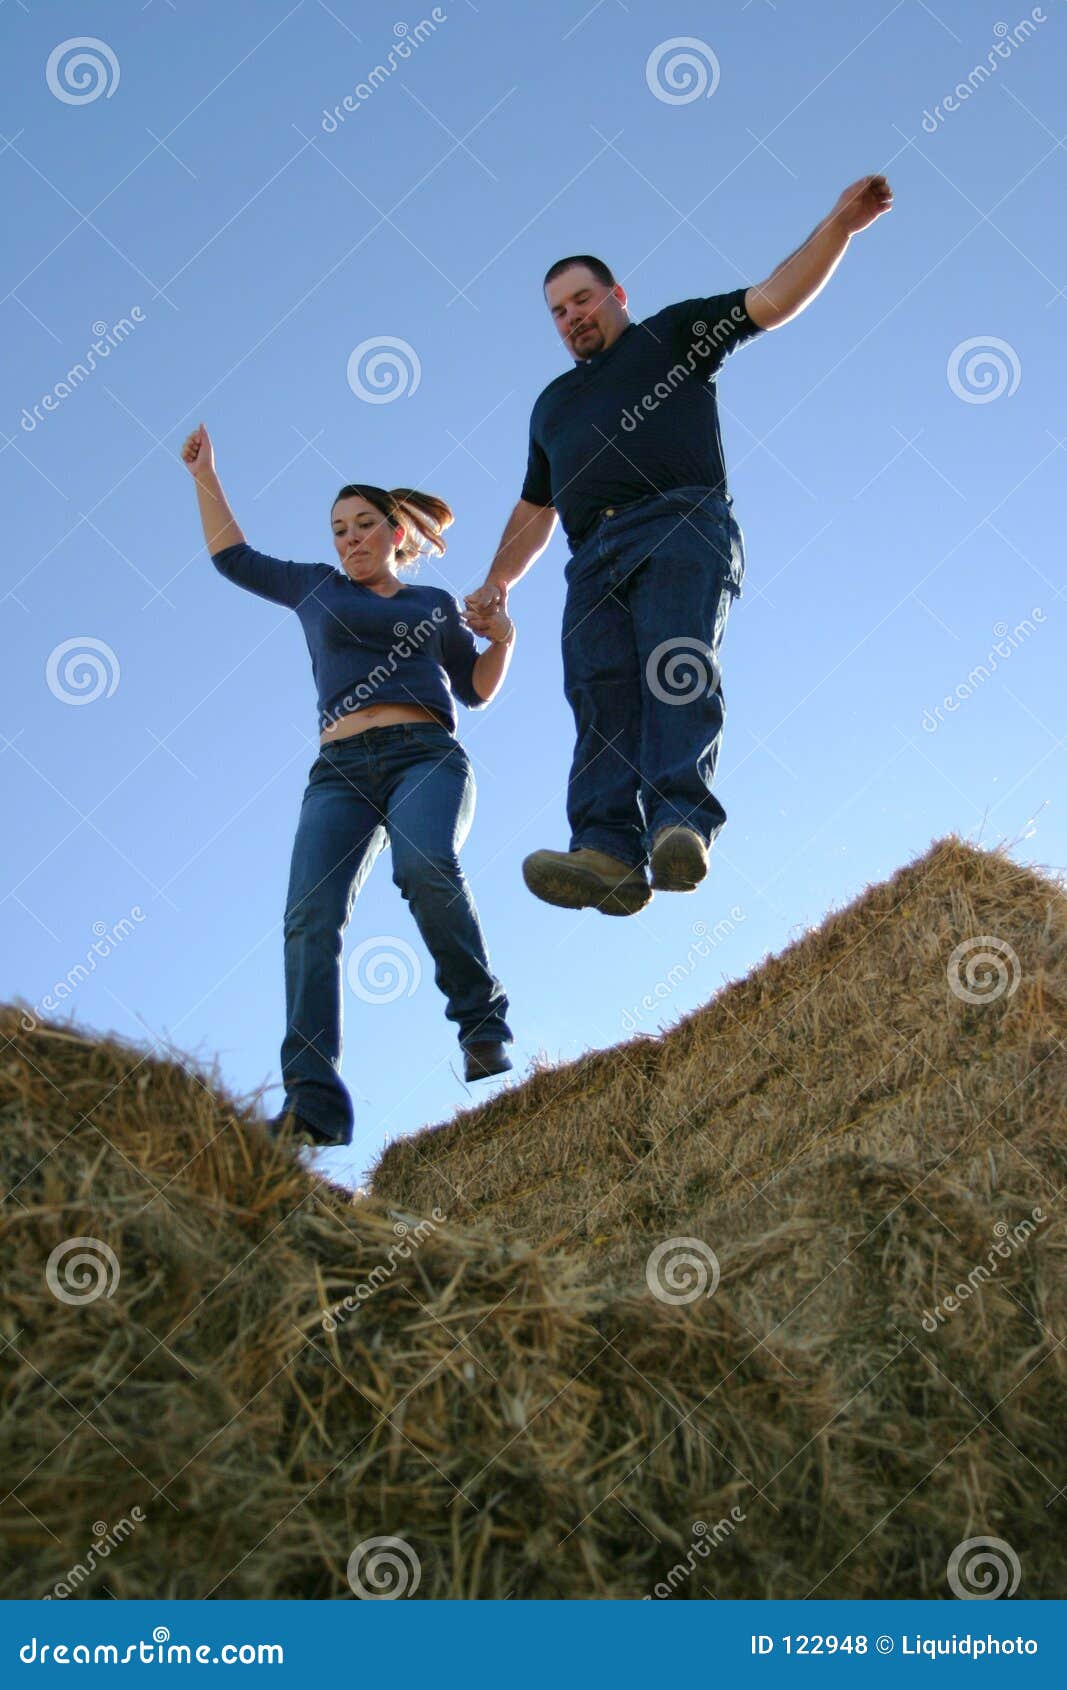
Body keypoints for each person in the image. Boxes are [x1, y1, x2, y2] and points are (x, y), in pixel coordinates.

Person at [465, 174, 893, 916]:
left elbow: (770, 299)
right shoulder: (552, 406)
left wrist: (838, 228)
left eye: (582, 300)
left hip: (678, 521)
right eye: (557, 312)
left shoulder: (671, 334)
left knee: (673, 663)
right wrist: (499, 578)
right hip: (589, 555)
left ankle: (678, 823)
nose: (571, 318)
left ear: (616, 295)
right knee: (599, 696)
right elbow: (536, 507)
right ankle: (606, 853)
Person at [180, 422, 516, 1150]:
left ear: (397, 532)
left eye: (364, 526)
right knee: (308, 919)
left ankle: (482, 1026)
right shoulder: (313, 587)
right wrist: (206, 474)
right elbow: (232, 558)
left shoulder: (428, 604)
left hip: (424, 754)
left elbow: (477, 689)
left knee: (424, 867)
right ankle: (314, 1107)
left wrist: (504, 641)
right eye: (338, 530)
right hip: (337, 773)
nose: (349, 540)